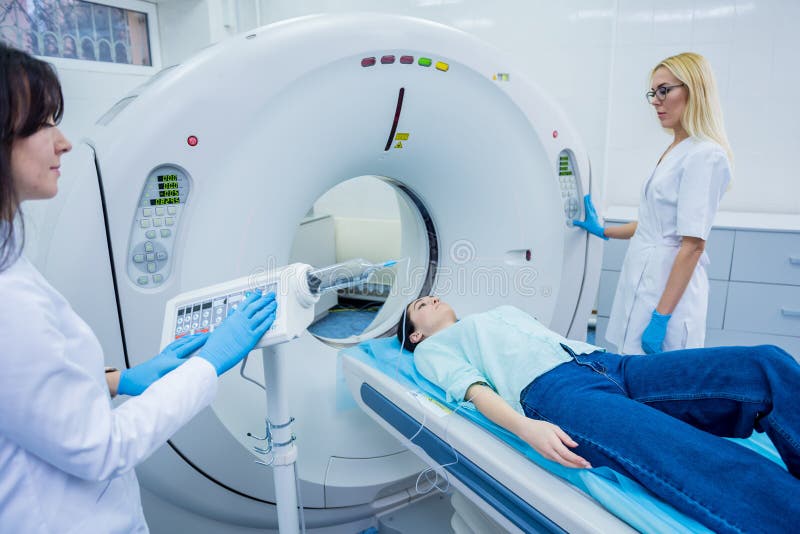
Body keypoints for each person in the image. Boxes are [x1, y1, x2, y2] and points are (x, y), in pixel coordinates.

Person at [0, 43, 277, 532]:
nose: (63, 142)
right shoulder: (9, 299)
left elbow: (23, 394)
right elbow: (100, 448)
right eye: (44, 124)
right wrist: (208, 366)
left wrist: (120, 380)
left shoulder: (12, 260)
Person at [398, 295, 800, 534]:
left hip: (609, 363)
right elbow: (475, 390)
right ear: (415, 334)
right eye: (421, 304)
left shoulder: (496, 313)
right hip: (556, 394)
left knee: (764, 365)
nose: (432, 298)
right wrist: (526, 428)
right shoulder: (433, 349)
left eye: (432, 295)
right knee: (687, 452)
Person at [573, 52, 732, 354]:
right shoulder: (676, 148)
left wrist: (660, 319)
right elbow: (652, 224)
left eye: (664, 90)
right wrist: (603, 230)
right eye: (653, 93)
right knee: (632, 374)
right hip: (643, 282)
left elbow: (693, 245)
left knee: (660, 388)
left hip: (667, 298)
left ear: (693, 89)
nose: (656, 101)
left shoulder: (704, 155)